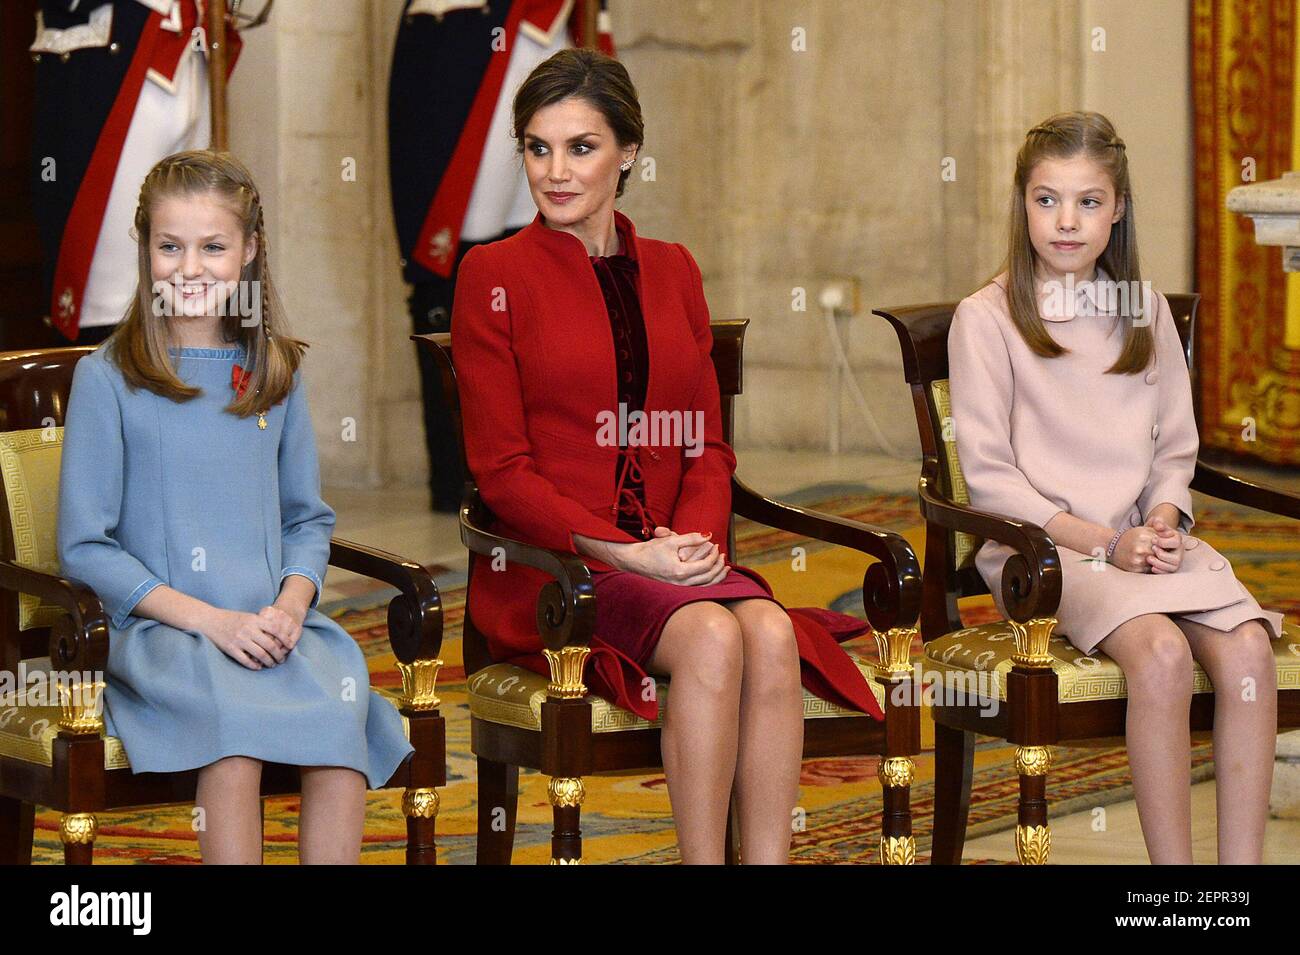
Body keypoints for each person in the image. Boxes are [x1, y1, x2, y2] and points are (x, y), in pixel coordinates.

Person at [452, 48, 881, 865]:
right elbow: (503, 473)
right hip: (560, 571)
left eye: (581, 147)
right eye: (538, 148)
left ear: (628, 155)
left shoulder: (675, 269)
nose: (556, 170)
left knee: (771, 633)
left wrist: (687, 544)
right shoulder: (492, 274)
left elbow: (706, 444)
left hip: (673, 555)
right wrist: (623, 551)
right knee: (717, 640)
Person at [57, 149, 412, 864]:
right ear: (145, 248)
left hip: (271, 627)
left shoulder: (275, 371)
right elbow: (84, 546)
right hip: (170, 636)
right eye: (170, 246)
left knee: (342, 714)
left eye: (213, 246)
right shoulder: (107, 379)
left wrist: (289, 604)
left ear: (248, 250)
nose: (190, 267)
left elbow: (306, 519)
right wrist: (213, 621)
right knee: (233, 736)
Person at [948, 111, 1283, 864]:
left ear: (1119, 208)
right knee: (1161, 655)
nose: (1067, 221)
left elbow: (1176, 447)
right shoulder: (987, 318)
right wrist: (1108, 544)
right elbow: (993, 480)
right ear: (1021, 203)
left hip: (1145, 542)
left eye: (1088, 202)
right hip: (1048, 556)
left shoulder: (1144, 310)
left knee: (1250, 653)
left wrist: (1162, 519)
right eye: (1046, 199)